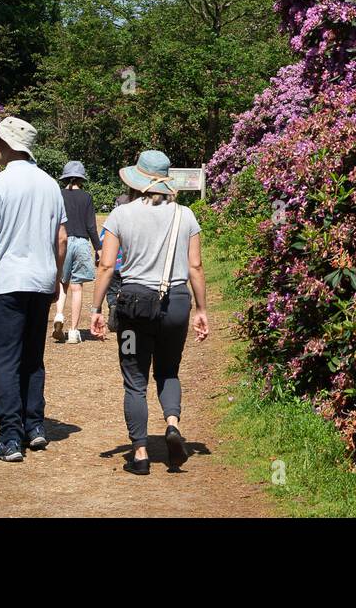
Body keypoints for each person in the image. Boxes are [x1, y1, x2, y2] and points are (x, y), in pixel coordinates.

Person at [91, 150, 208, 475]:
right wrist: (201, 309)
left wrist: (96, 308)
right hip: (176, 305)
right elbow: (195, 267)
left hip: (133, 310)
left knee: (135, 380)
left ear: (138, 181)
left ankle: (140, 453)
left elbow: (106, 266)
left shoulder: (120, 215)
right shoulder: (186, 216)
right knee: (168, 371)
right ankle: (171, 425)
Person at [0, 116, 67, 463]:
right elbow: (61, 239)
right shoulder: (52, 185)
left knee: (1, 358)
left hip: (6, 284)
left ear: (9, 145)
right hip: (40, 283)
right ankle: (34, 426)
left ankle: (10, 436)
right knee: (32, 357)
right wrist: (54, 279)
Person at [53, 161, 101, 345]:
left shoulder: (58, 195)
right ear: (82, 179)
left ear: (64, 177)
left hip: (62, 241)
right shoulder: (86, 197)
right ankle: (73, 331)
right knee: (76, 287)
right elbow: (91, 226)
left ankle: (58, 315)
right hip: (81, 242)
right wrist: (98, 248)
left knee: (61, 283)